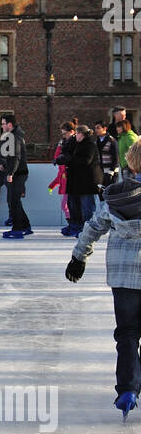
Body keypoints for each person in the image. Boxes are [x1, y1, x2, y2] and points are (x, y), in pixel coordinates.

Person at [66, 140, 141, 417]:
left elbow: (94, 226)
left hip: (123, 277)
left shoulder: (116, 196)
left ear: (131, 164)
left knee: (127, 334)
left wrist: (79, 257)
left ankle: (128, 390)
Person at [61, 124, 102, 237]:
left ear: (82, 134)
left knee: (87, 208)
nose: (75, 136)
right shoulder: (77, 144)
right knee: (75, 205)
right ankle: (78, 226)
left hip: (88, 183)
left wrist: (70, 160)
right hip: (78, 182)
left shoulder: (89, 145)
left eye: (77, 134)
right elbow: (67, 152)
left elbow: (86, 161)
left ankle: (89, 229)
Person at [0, 115, 32, 239]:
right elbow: (12, 157)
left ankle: (17, 229)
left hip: (18, 174)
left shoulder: (14, 137)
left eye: (3, 124)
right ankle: (26, 226)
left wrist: (11, 173)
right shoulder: (14, 136)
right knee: (15, 200)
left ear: (10, 125)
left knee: (14, 201)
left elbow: (16, 157)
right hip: (18, 172)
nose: (2, 126)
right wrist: (5, 165)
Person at [93, 119, 120, 190]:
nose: (96, 130)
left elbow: (116, 158)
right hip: (101, 173)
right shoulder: (96, 142)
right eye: (95, 128)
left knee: (111, 194)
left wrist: (111, 172)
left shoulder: (112, 141)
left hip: (110, 173)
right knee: (101, 195)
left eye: (98, 128)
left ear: (104, 128)